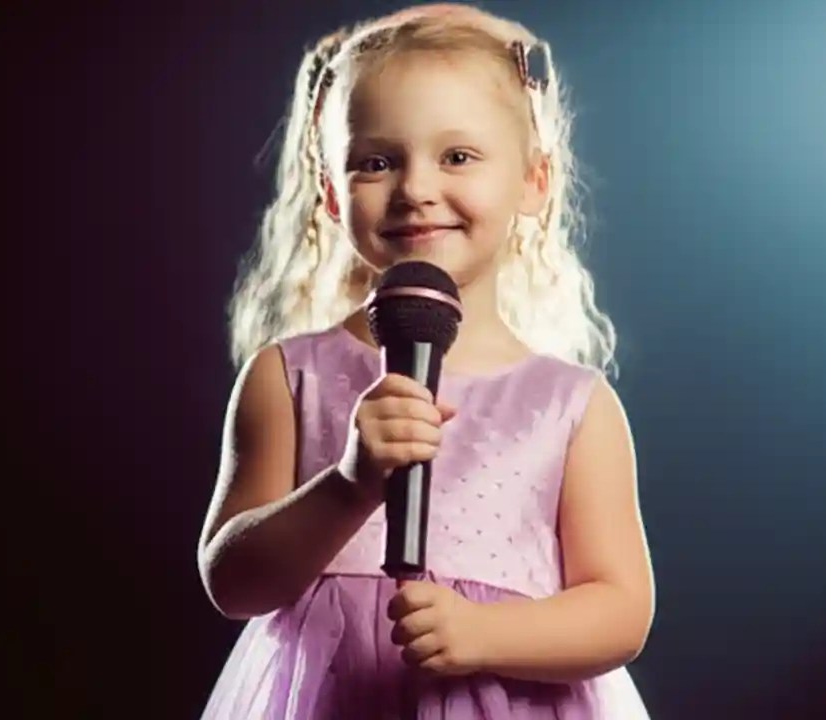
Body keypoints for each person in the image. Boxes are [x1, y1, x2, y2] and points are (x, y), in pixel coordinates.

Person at [198, 4, 654, 717]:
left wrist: (485, 633)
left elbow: (621, 610)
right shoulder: (288, 377)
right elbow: (234, 581)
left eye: (458, 157)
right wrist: (349, 483)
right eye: (376, 161)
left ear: (535, 182)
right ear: (329, 192)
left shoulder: (572, 405)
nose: (416, 189)